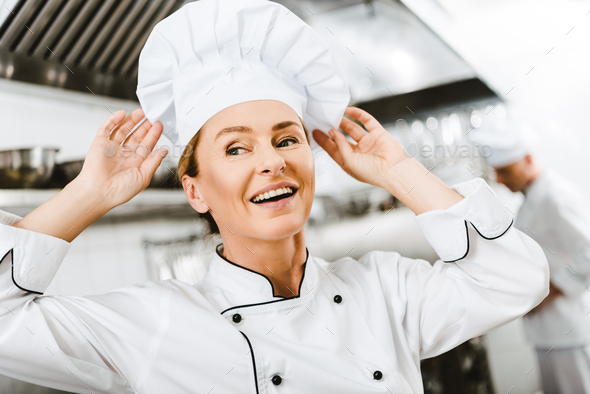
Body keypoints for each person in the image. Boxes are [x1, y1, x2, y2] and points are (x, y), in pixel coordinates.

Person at [0, 0, 548, 393]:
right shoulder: (157, 323)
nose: (271, 160)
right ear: (195, 190)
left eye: (287, 139)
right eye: (236, 149)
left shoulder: (384, 291)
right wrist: (89, 194)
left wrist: (400, 172)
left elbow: (515, 279)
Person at [485, 127, 590, 393]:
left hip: (568, 329)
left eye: (505, 171)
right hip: (546, 333)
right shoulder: (531, 199)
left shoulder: (555, 195)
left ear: (528, 160)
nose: (498, 179)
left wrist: (546, 295)